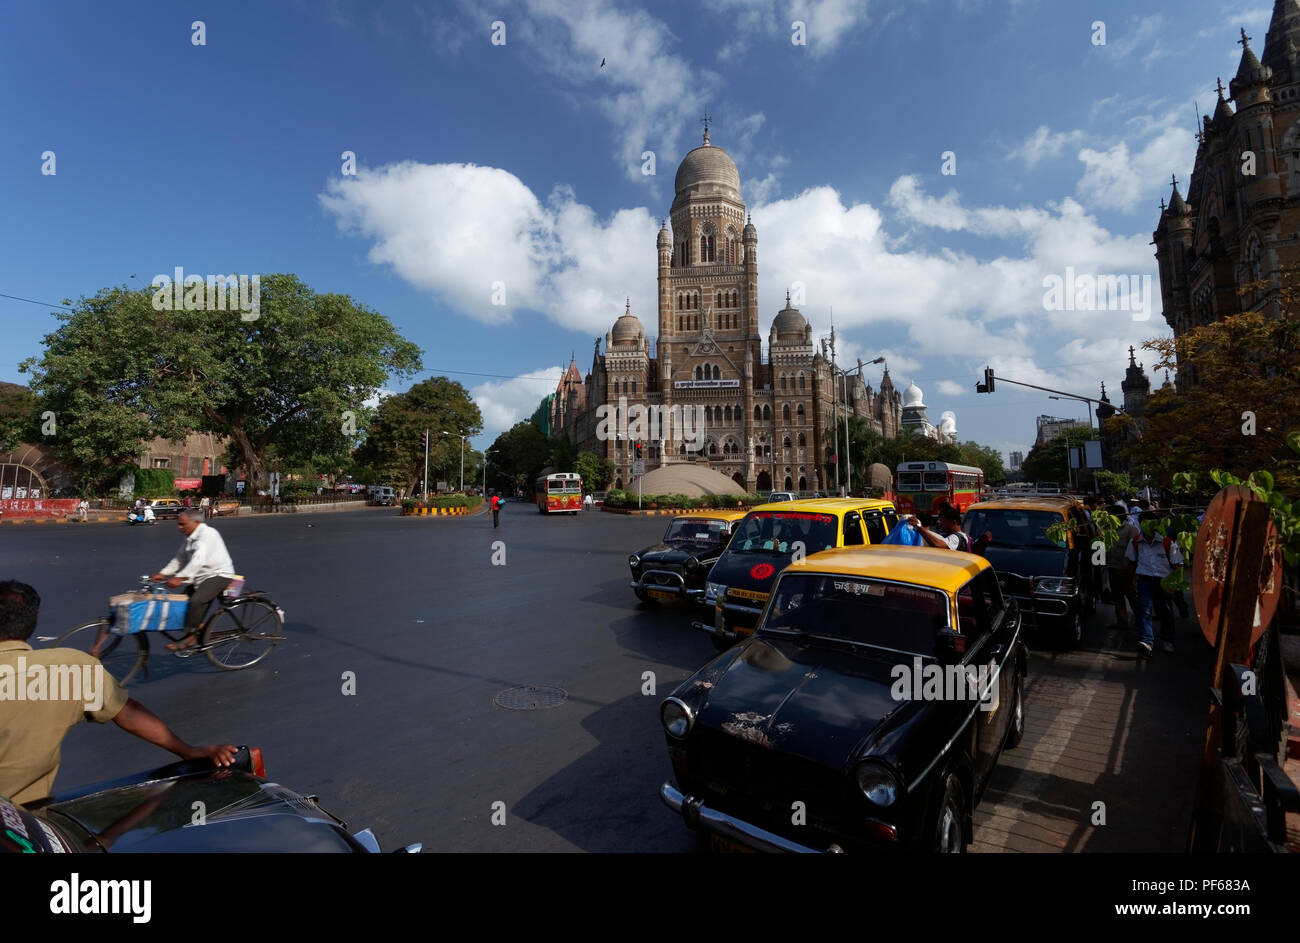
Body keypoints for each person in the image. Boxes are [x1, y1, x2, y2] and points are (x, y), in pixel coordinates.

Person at [0, 581, 236, 806]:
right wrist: (188, 751)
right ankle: (191, 635)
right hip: (26, 829)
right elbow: (129, 715)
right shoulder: (73, 667)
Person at [151, 508, 236, 651]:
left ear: (196, 522)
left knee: (196, 601)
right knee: (184, 601)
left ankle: (191, 639)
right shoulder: (190, 537)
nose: (179, 528)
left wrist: (180, 577)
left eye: (182, 524)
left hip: (219, 575)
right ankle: (200, 628)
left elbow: (198, 560)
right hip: (201, 577)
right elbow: (180, 559)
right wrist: (162, 573)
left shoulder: (207, 534)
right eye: (179, 524)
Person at [1125, 511, 1184, 656]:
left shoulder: (1167, 542)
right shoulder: (1135, 542)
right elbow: (1132, 563)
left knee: (1166, 612)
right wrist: (1132, 581)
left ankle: (1168, 639)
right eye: (1143, 523)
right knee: (1145, 611)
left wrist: (1175, 585)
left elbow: (1178, 565)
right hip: (1145, 581)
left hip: (1164, 582)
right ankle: (1147, 641)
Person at [1105, 503, 1141, 633]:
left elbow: (1137, 552)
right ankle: (1122, 623)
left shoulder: (1131, 529)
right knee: (1117, 597)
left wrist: (1133, 572)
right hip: (1113, 568)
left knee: (1133, 597)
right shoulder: (1108, 529)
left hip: (1127, 571)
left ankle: (1140, 622)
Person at [905, 503, 972, 551]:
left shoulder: (957, 538)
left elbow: (938, 544)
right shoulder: (963, 536)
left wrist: (919, 526)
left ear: (954, 522)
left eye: (943, 521)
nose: (941, 524)